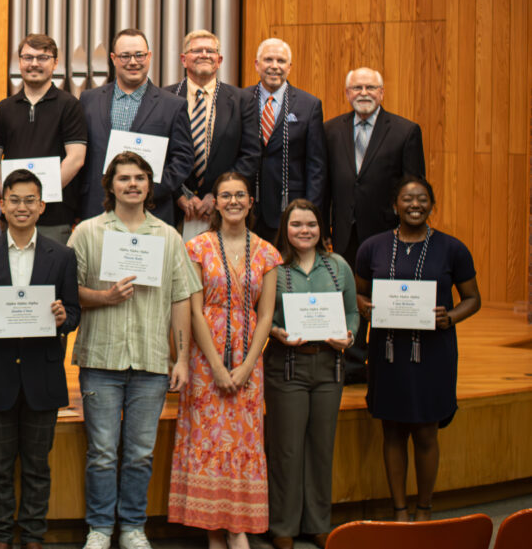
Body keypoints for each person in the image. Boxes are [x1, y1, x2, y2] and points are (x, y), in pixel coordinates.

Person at [69, 152, 199, 549]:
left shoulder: (169, 236)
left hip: (150, 360)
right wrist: (104, 297)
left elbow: (180, 299)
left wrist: (180, 358)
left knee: (140, 453)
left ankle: (132, 527)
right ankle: (100, 528)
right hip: (101, 358)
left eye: (139, 178)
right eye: (123, 178)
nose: (132, 185)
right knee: (103, 453)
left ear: (149, 185)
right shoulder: (87, 232)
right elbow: (68, 294)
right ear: (110, 185)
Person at [0, 169, 80, 549]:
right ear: (3, 204)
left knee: (37, 466)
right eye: (14, 200)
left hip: (42, 376)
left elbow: (74, 311)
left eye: (30, 200)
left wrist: (65, 318)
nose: (22, 207)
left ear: (42, 206)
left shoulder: (62, 256)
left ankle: (32, 536)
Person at [354, 176, 480, 522]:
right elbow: (358, 291)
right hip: (388, 353)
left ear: (432, 205)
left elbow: (473, 299)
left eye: (422, 199)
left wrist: (450, 317)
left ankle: (424, 509)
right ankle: (399, 511)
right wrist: (364, 307)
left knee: (426, 431)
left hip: (433, 354)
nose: (415, 205)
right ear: (395, 205)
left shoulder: (452, 248)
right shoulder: (373, 247)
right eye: (408, 199)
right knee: (392, 430)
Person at [168, 171, 280, 549]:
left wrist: (248, 365)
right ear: (214, 202)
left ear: (251, 202)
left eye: (240, 195)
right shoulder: (197, 247)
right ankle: (215, 530)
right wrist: (215, 366)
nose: (233, 201)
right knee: (208, 439)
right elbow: (195, 311)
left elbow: (265, 316)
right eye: (226, 195)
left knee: (243, 442)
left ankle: (236, 527)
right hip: (205, 359)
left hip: (249, 360)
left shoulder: (266, 252)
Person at [264, 199, 358, 549]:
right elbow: (265, 317)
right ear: (285, 229)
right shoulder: (274, 267)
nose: (305, 231)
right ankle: (283, 526)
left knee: (321, 446)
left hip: (329, 367)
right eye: (297, 224)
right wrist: (276, 332)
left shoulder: (337, 267)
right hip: (286, 366)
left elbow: (351, 313)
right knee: (286, 448)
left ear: (321, 229)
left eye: (311, 225)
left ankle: (318, 523)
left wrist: (348, 335)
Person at [323, 67, 425, 383]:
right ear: (347, 93)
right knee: (347, 295)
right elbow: (325, 182)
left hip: (386, 231)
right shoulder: (330, 130)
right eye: (356, 87)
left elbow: (414, 187)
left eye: (370, 87)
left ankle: (383, 362)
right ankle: (352, 363)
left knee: (383, 298)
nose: (363, 93)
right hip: (343, 230)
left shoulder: (405, 131)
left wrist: (408, 232)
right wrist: (324, 227)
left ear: (381, 93)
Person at [78, 29, 193, 227]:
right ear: (113, 59)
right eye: (125, 56)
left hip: (152, 210)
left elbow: (183, 159)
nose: (133, 62)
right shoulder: (88, 100)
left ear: (149, 56)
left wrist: (147, 189)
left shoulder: (173, 105)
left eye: (139, 55)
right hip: (97, 208)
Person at [0, 34, 87, 245]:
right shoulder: (4, 108)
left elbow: (76, 158)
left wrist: (38, 198)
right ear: (19, 62)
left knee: (52, 276)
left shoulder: (69, 106)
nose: (34, 64)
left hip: (55, 217)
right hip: (13, 218)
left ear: (55, 63)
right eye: (28, 57)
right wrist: (10, 198)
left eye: (42, 58)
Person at [165, 30, 261, 238]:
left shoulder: (242, 100)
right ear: (184, 59)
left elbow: (250, 155)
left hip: (224, 209)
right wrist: (178, 195)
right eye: (196, 50)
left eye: (210, 51)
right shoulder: (164, 97)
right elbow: (158, 153)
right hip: (173, 209)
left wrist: (218, 195)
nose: (204, 54)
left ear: (219, 60)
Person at [245, 38, 326, 242]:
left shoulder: (309, 105)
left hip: (289, 207)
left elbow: (316, 165)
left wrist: (309, 212)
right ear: (257, 64)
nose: (274, 66)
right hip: (247, 208)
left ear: (289, 67)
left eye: (281, 61)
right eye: (268, 60)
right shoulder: (240, 99)